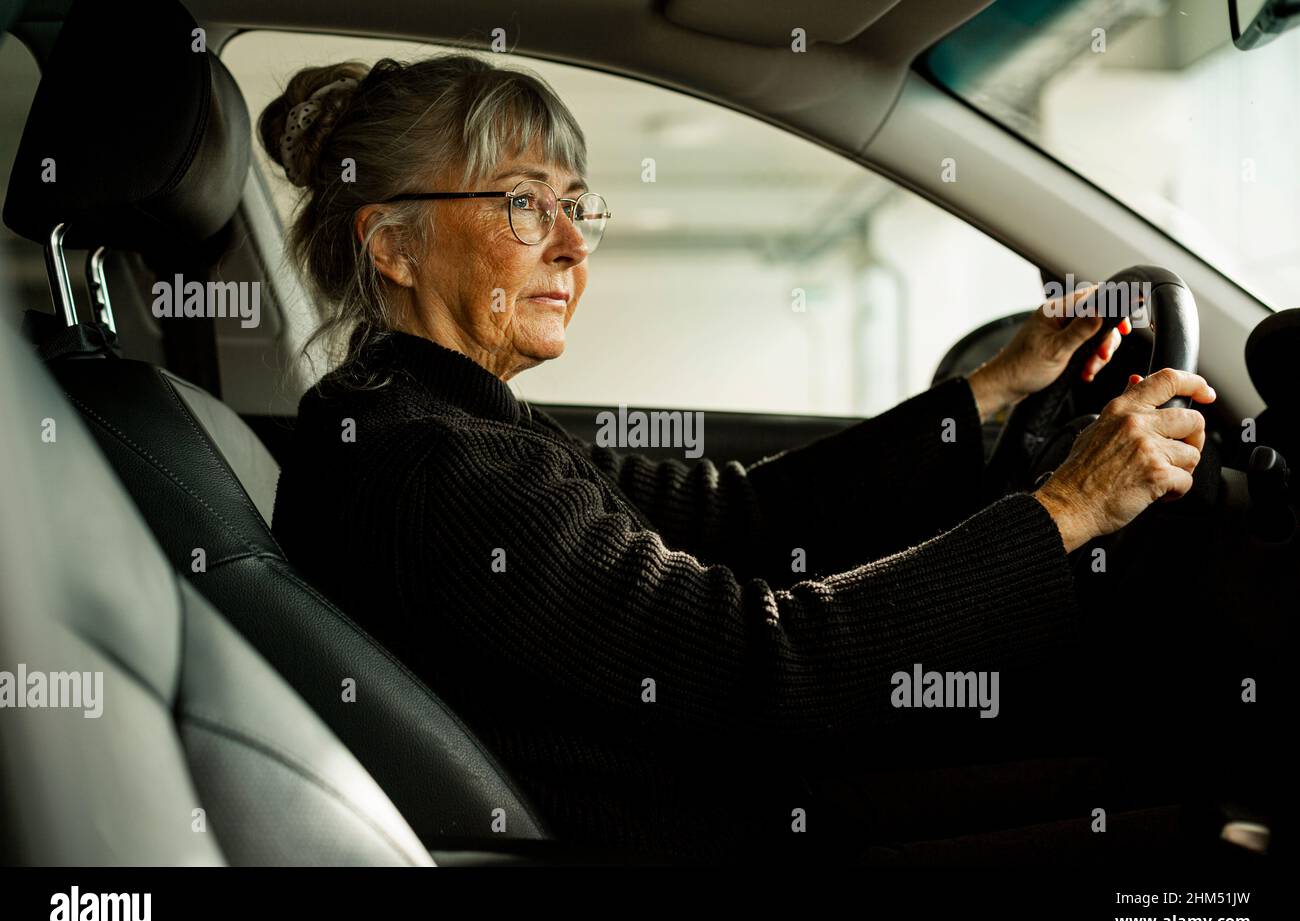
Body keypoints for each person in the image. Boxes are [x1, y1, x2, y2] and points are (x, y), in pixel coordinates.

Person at [263, 53, 1216, 864]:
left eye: (572, 207)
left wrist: (993, 388)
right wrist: (1069, 509)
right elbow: (767, 666)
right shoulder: (437, 465)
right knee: (1194, 837)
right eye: (520, 204)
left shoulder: (437, 414)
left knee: (1132, 785)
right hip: (695, 831)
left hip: (711, 798)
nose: (569, 247)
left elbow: (739, 517)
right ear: (392, 245)